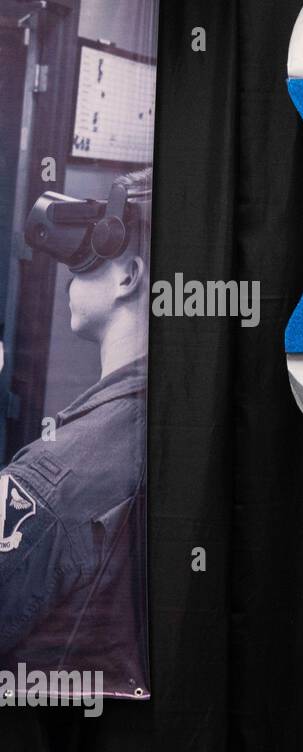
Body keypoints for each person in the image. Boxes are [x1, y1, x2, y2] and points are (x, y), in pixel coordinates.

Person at [0, 168, 151, 695]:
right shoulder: (168, 419)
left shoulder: (57, 473)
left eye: (87, 259)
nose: (70, 277)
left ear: (128, 276)